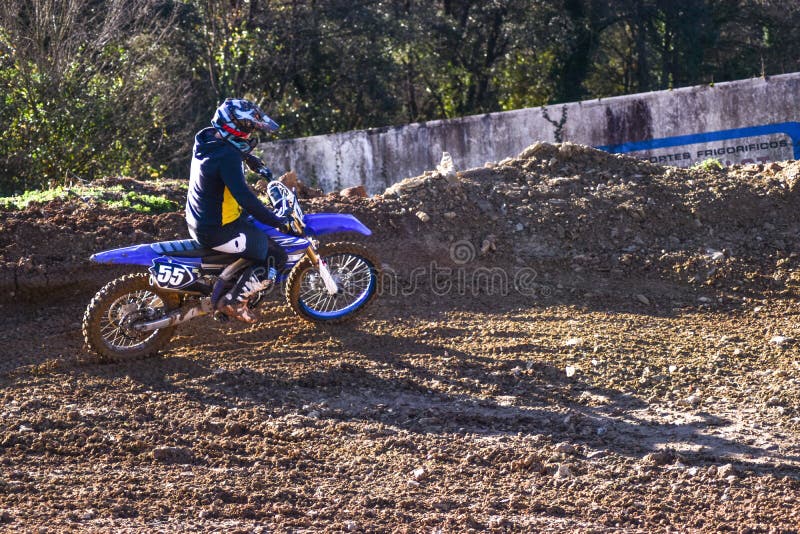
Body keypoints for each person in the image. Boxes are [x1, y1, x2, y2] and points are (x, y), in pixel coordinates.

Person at [185, 98, 295, 323]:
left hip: (200, 217)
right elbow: (245, 197)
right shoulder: (228, 157)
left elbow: (222, 156)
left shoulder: (206, 139)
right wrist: (276, 221)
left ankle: (230, 283)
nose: (250, 134)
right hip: (217, 228)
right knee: (275, 256)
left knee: (255, 232)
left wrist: (250, 159)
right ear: (234, 128)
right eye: (248, 129)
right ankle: (233, 302)